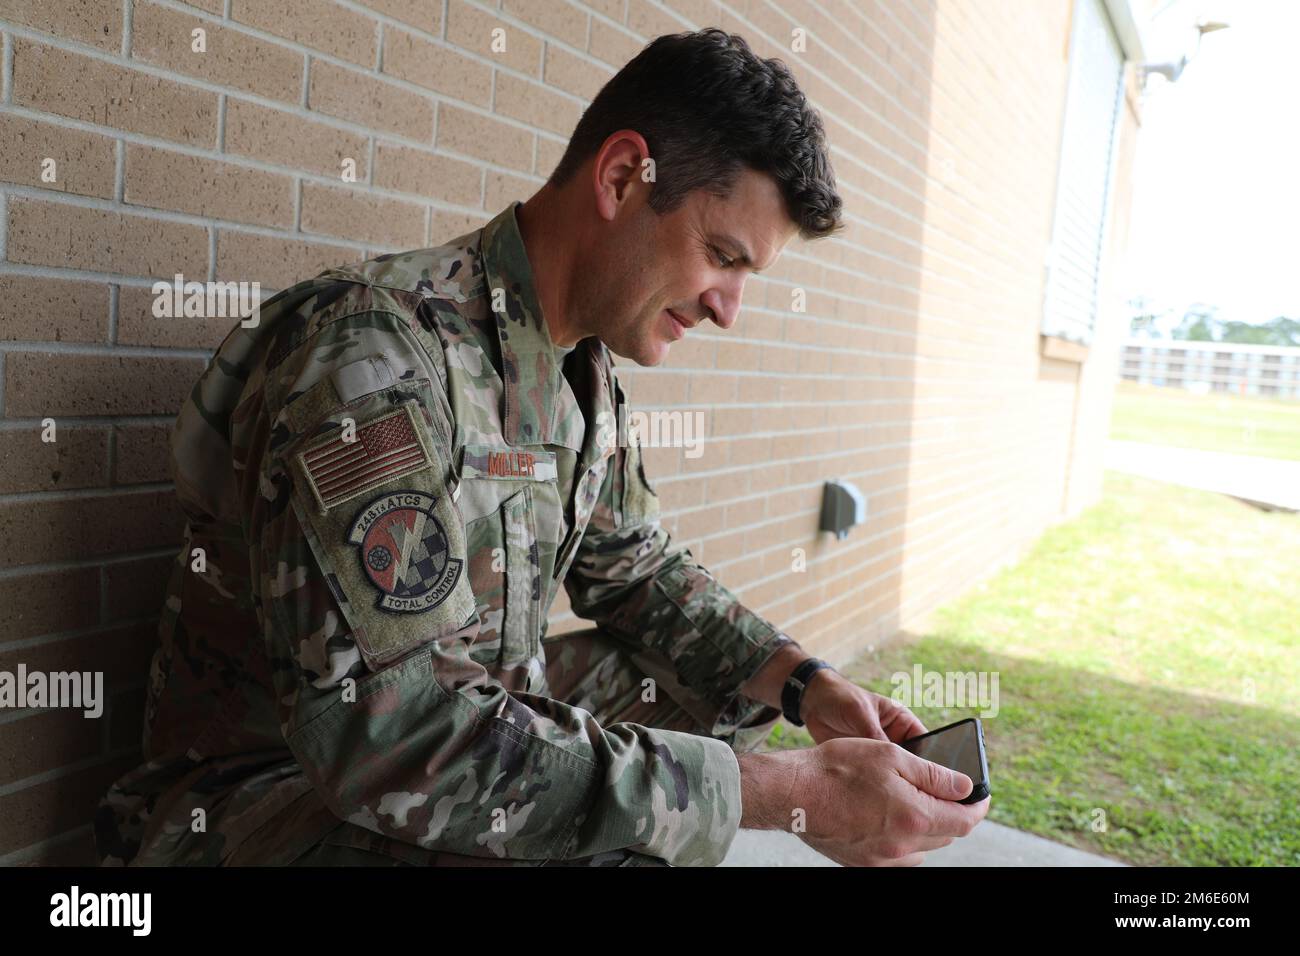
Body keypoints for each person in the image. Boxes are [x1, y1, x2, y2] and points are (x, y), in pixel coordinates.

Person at [94, 28, 987, 868]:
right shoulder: (370, 358)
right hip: (265, 806)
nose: (727, 308)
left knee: (715, 691)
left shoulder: (580, 371)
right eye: (722, 255)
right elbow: (390, 738)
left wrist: (807, 688)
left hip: (444, 736)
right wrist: (774, 793)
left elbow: (638, 572)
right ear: (624, 176)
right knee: (621, 813)